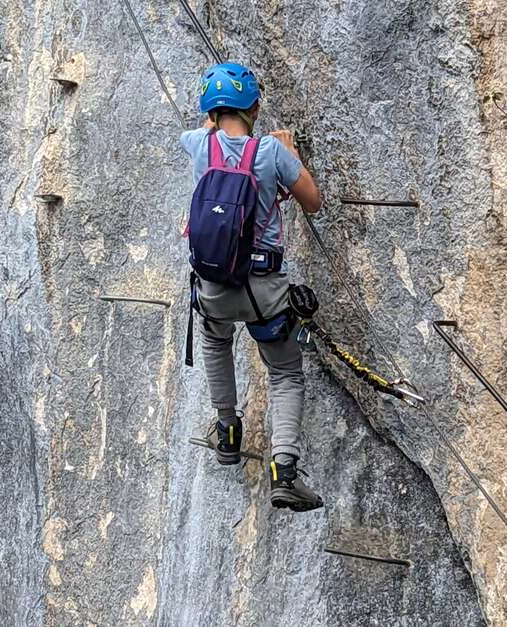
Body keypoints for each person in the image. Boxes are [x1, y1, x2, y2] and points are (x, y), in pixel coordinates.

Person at [180, 62, 324, 512]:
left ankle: (226, 431)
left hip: (216, 286)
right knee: (284, 373)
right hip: (265, 291)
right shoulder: (271, 154)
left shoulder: (197, 144)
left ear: (210, 109)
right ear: (256, 107)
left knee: (214, 339)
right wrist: (290, 153)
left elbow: (208, 128)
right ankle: (284, 470)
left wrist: (215, 117)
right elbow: (313, 203)